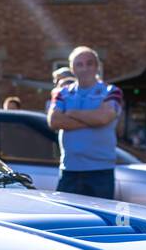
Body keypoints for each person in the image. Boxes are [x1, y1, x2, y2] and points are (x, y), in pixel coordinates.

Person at [47, 46, 123, 200]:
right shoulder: (63, 93)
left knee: (100, 221)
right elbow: (54, 121)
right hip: (69, 170)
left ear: (97, 67)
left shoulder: (111, 91)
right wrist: (93, 119)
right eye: (79, 64)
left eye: (89, 63)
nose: (85, 68)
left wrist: (72, 113)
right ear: (72, 68)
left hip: (100, 172)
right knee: (67, 219)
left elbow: (103, 118)